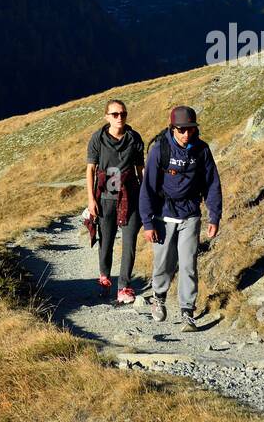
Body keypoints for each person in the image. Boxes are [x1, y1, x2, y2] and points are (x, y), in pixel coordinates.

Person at [138, 105, 222, 332]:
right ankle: (159, 296)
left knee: (188, 264)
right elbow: (147, 189)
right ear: (172, 127)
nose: (186, 134)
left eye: (190, 129)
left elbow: (212, 184)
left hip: (191, 214)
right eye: (181, 129)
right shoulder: (160, 150)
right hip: (163, 215)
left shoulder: (202, 151)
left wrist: (214, 217)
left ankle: (187, 312)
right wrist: (147, 223)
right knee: (164, 262)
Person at [86, 99, 145, 303]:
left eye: (123, 114)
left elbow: (140, 169)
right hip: (105, 198)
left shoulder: (134, 138)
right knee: (106, 241)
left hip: (131, 197)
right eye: (115, 114)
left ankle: (124, 287)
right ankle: (104, 278)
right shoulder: (97, 139)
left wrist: (146, 196)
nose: (119, 118)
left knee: (129, 243)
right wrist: (91, 199)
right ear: (107, 117)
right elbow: (91, 170)